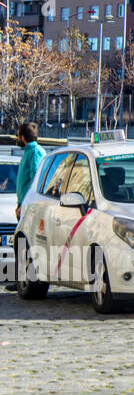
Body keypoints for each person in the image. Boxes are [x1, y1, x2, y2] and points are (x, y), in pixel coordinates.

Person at [11, 123, 44, 290]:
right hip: (24, 205)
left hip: (30, 206)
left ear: (23, 137)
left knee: (27, 243)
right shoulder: (28, 152)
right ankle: (20, 280)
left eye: (18, 135)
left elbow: (35, 181)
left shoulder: (35, 152)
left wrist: (24, 204)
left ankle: (26, 281)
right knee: (22, 243)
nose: (17, 138)